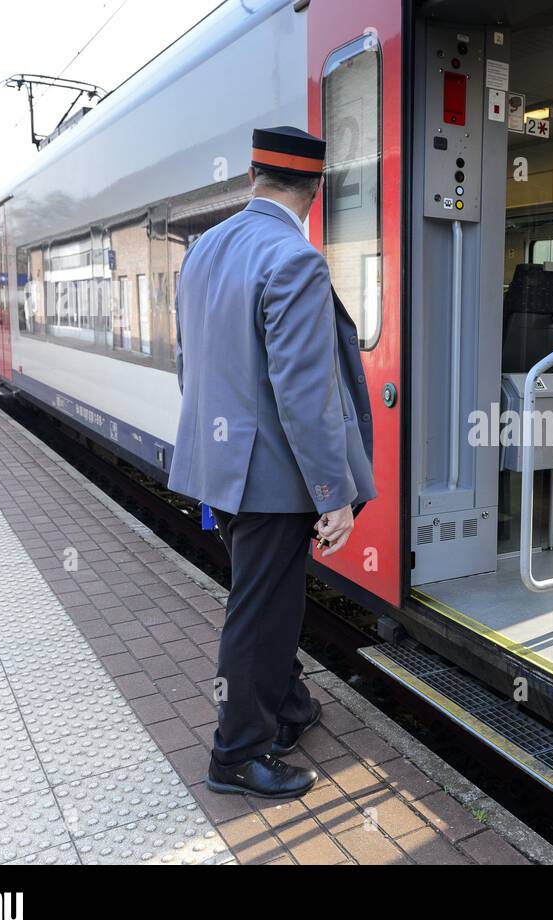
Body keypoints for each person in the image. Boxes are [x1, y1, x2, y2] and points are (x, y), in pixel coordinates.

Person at [168, 126, 376, 798]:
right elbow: (304, 389)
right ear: (315, 190)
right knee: (258, 613)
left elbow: (188, 365)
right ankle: (236, 754)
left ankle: (286, 711)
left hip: (218, 469)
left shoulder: (202, 252)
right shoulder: (295, 258)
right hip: (271, 482)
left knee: (268, 601)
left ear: (255, 175)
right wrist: (332, 492)